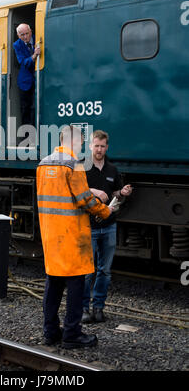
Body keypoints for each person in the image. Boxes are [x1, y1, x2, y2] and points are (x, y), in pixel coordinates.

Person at [36, 125, 113, 349]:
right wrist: (105, 211)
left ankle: (50, 332)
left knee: (53, 284)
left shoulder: (43, 164)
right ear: (73, 141)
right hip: (72, 238)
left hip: (51, 236)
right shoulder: (74, 165)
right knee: (76, 285)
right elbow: (84, 200)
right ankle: (72, 334)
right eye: (80, 142)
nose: (81, 146)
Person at [82, 130, 133, 323]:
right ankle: (83, 309)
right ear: (90, 146)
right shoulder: (82, 168)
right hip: (89, 226)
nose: (99, 149)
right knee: (87, 271)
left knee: (104, 271)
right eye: (96, 145)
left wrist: (123, 192)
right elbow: (73, 190)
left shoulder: (112, 169)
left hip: (109, 226)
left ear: (107, 147)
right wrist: (93, 191)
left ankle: (98, 308)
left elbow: (115, 194)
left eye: (102, 146)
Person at [13, 23, 41, 126]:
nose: (25, 37)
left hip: (39, 79)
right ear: (18, 36)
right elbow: (23, 63)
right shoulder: (17, 45)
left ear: (31, 32)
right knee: (25, 110)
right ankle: (27, 139)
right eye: (22, 35)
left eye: (27, 34)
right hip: (25, 82)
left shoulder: (38, 39)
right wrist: (34, 55)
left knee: (36, 107)